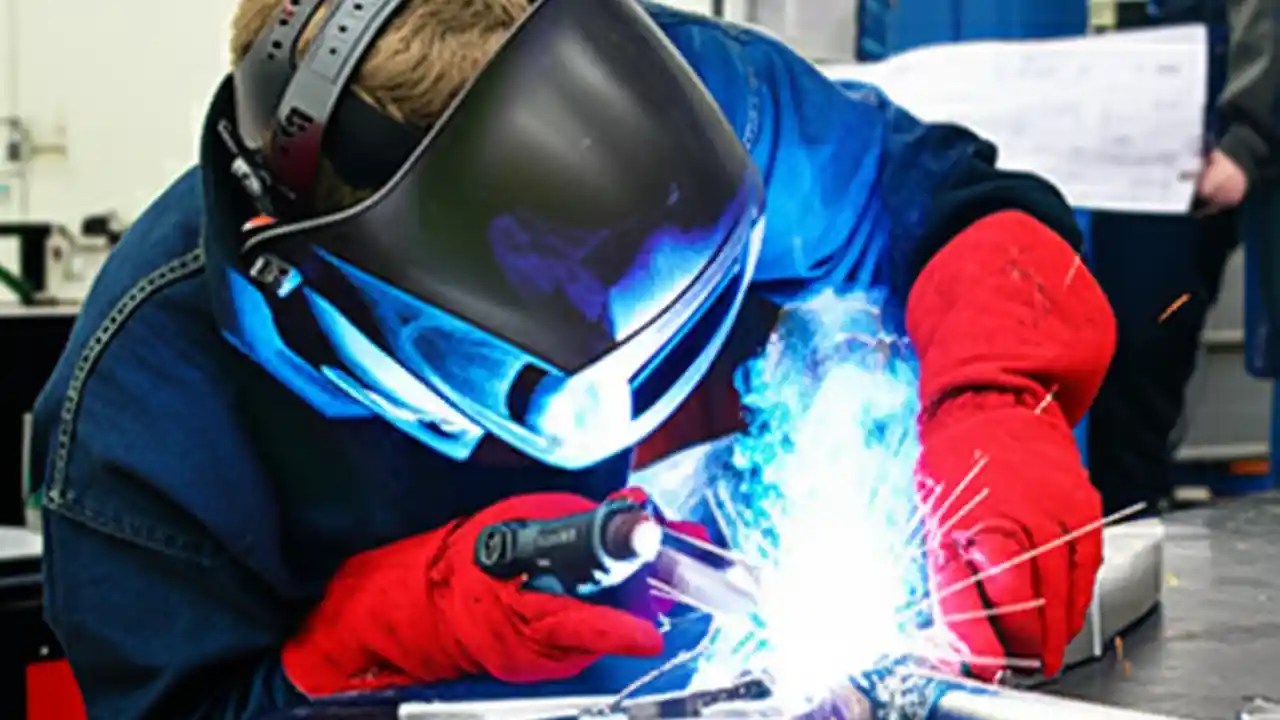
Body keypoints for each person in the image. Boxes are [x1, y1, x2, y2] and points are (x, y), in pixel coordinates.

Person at [31, 0, 1115, 717]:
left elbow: (952, 208)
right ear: (308, 276)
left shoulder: (709, 103)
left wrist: (1001, 403)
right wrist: (396, 631)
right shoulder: (138, 410)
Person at [1087, 0, 1278, 514]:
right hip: (1125, 89)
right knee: (1121, 340)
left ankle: (1128, 525)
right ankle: (1125, 529)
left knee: (1144, 328)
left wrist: (1248, 138)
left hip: (1207, 101)